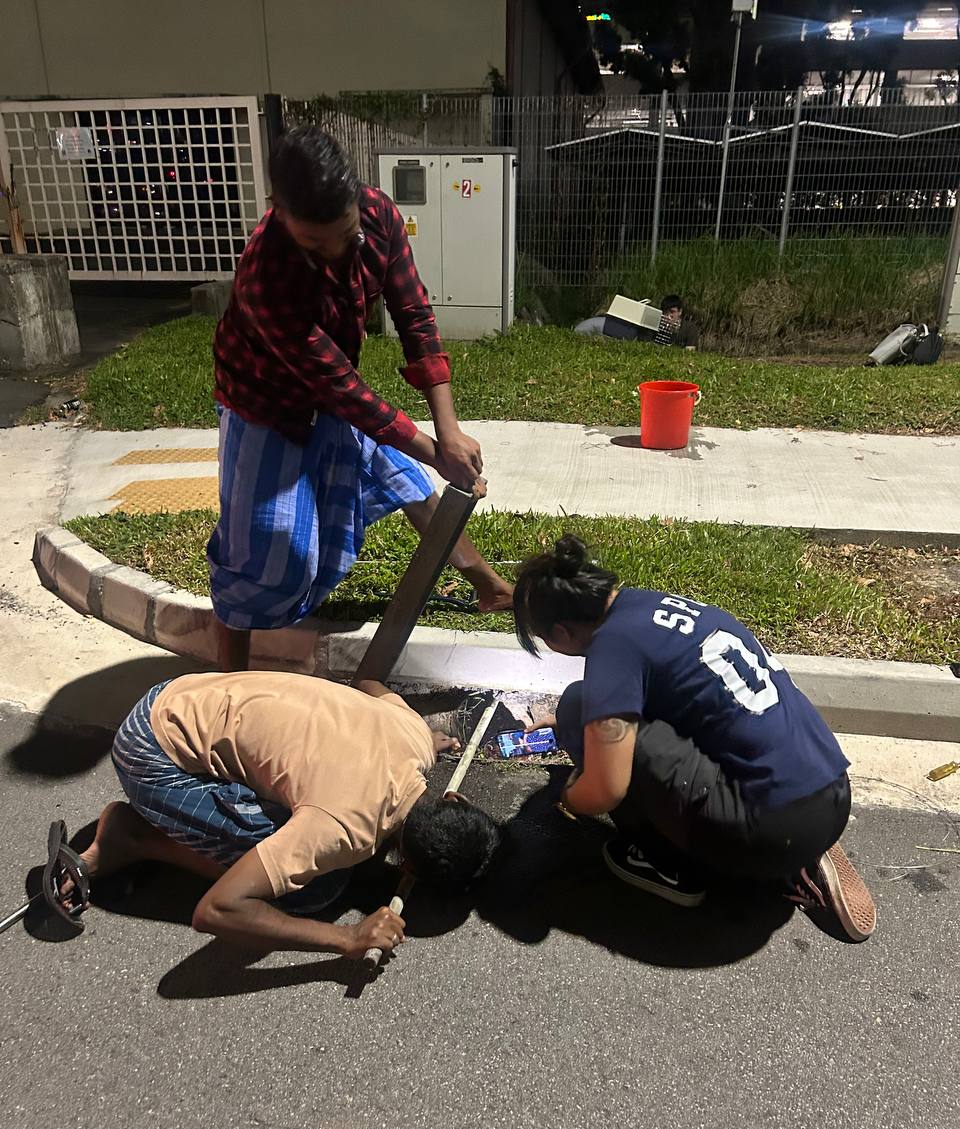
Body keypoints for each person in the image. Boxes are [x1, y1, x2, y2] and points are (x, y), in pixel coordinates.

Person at [210, 127, 513, 671]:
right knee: (261, 549)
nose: (333, 257)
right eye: (313, 245)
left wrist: (447, 430)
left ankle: (489, 586)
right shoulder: (266, 274)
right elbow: (342, 390)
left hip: (332, 394)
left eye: (344, 238)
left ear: (355, 198)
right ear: (278, 211)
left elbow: (414, 316)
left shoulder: (380, 216)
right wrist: (433, 448)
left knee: (409, 483)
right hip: (264, 403)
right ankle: (226, 682)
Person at [513, 536, 876, 942]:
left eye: (544, 639)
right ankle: (800, 851)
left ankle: (669, 864)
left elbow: (606, 788)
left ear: (561, 632)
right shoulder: (654, 606)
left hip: (772, 830)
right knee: (583, 713)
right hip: (831, 789)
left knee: (580, 708)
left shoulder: (611, 648)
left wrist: (567, 799)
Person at [64, 673, 502, 958]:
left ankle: (152, 828)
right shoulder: (342, 828)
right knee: (313, 892)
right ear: (407, 866)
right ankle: (133, 837)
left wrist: (424, 735)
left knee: (301, 817)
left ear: (453, 800)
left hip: (180, 689)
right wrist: (347, 939)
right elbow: (216, 910)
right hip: (150, 753)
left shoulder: (415, 737)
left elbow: (369, 684)